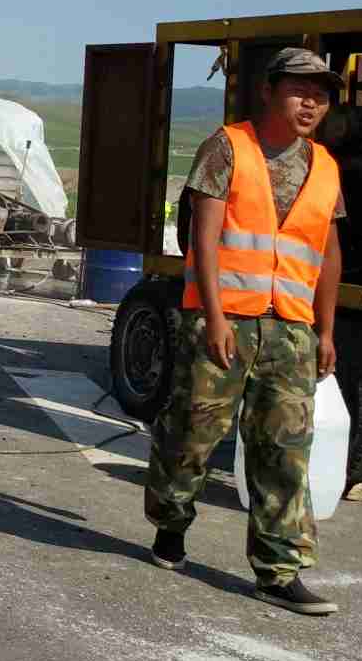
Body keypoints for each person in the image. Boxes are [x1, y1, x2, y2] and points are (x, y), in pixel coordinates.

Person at [145, 47, 348, 616]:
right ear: (269, 90)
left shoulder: (326, 166)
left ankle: (278, 570)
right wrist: (212, 317)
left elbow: (327, 253)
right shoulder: (227, 147)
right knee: (193, 436)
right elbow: (203, 238)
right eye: (300, 90)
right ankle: (171, 521)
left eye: (322, 94)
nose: (311, 103)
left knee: (285, 450)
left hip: (291, 329)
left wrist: (325, 330)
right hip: (224, 320)